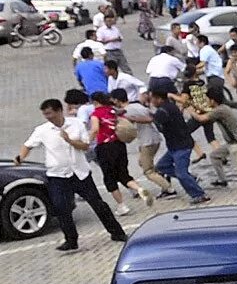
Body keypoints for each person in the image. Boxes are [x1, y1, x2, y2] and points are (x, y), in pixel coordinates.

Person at [13, 98, 128, 251]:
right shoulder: (42, 130)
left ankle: (117, 232)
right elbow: (28, 145)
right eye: (45, 114)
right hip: (57, 175)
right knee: (61, 207)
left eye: (50, 113)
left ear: (59, 111)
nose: (48, 117)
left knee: (98, 204)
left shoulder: (76, 124)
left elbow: (86, 145)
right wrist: (21, 157)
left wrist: (70, 141)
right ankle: (71, 240)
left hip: (79, 173)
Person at [189, 86, 237, 196]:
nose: (206, 101)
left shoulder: (219, 111)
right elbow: (205, 110)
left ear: (212, 100)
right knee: (215, 156)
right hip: (230, 143)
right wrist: (192, 105)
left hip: (236, 143)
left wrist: (190, 110)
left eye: (207, 99)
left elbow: (202, 118)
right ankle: (222, 180)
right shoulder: (221, 107)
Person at [87, 90, 153, 215]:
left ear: (95, 102)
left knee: (109, 178)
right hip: (119, 145)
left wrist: (88, 141)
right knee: (123, 174)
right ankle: (139, 189)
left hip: (105, 148)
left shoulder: (96, 114)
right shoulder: (113, 111)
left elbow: (95, 129)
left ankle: (121, 205)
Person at [149, 86, 209, 204]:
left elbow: (151, 120)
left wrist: (136, 117)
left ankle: (199, 194)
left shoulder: (164, 110)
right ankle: (191, 179)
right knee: (162, 166)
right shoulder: (168, 107)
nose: (152, 101)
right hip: (174, 146)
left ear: (159, 99)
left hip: (181, 146)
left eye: (153, 99)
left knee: (181, 173)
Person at [117, 88, 175, 199]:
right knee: (142, 162)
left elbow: (143, 120)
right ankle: (160, 176)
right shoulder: (138, 106)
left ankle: (169, 189)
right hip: (154, 139)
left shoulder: (128, 111)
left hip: (147, 141)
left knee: (148, 171)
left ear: (117, 100)